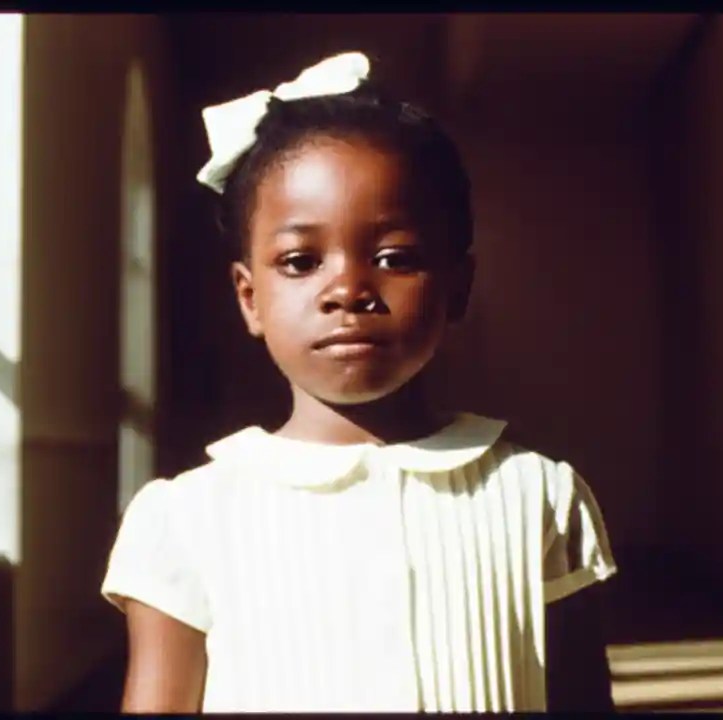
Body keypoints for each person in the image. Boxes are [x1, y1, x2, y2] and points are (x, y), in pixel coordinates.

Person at [101, 51, 618, 713]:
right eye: (300, 261)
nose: (347, 289)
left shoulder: (538, 496)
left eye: (394, 257)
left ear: (458, 286)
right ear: (249, 295)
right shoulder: (188, 519)